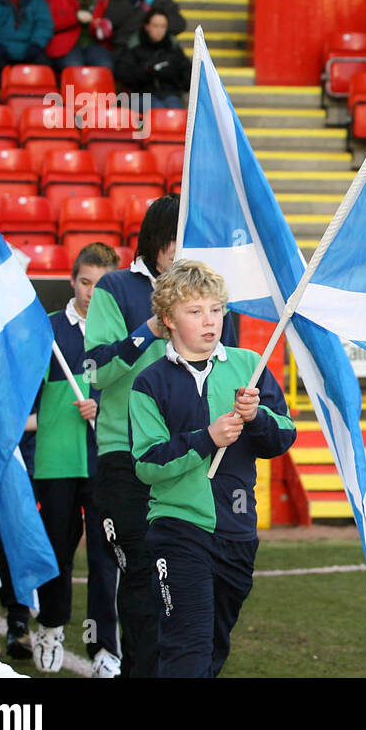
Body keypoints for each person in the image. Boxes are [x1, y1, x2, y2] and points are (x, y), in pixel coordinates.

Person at [85, 194, 239, 677]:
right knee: (142, 575)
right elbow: (94, 371)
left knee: (208, 583)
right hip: (129, 457)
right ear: (157, 240)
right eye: (180, 239)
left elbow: (230, 367)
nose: (188, 249)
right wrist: (148, 330)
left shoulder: (212, 297)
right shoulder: (115, 288)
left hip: (197, 457)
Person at [131, 260, 295, 678]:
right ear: (169, 319)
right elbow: (147, 463)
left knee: (212, 652)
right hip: (178, 529)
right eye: (195, 311)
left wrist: (256, 418)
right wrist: (206, 438)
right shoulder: (149, 382)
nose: (210, 321)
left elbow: (283, 436)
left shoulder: (249, 365)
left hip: (238, 532)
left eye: (216, 310)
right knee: (186, 649)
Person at [28, 243, 122, 678]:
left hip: (105, 461)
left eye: (100, 285)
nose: (90, 292)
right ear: (72, 281)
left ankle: (103, 646)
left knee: (105, 558)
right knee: (57, 552)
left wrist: (103, 407)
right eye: (85, 282)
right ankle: (50, 628)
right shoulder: (45, 330)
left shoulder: (120, 334)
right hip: (56, 460)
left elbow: (134, 395)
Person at [114, 9, 192, 110]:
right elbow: (123, 73)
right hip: (141, 95)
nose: (159, 30)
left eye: (163, 26)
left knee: (174, 108)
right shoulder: (134, 46)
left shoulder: (173, 47)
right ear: (146, 26)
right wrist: (146, 71)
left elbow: (187, 75)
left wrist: (171, 75)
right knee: (157, 108)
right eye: (155, 26)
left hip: (170, 95)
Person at [46, 0, 114, 74]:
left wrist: (102, 28)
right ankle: (71, 87)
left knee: (105, 65)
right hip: (66, 45)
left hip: (92, 45)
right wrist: (75, 17)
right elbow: (51, 23)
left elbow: (105, 29)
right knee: (74, 67)